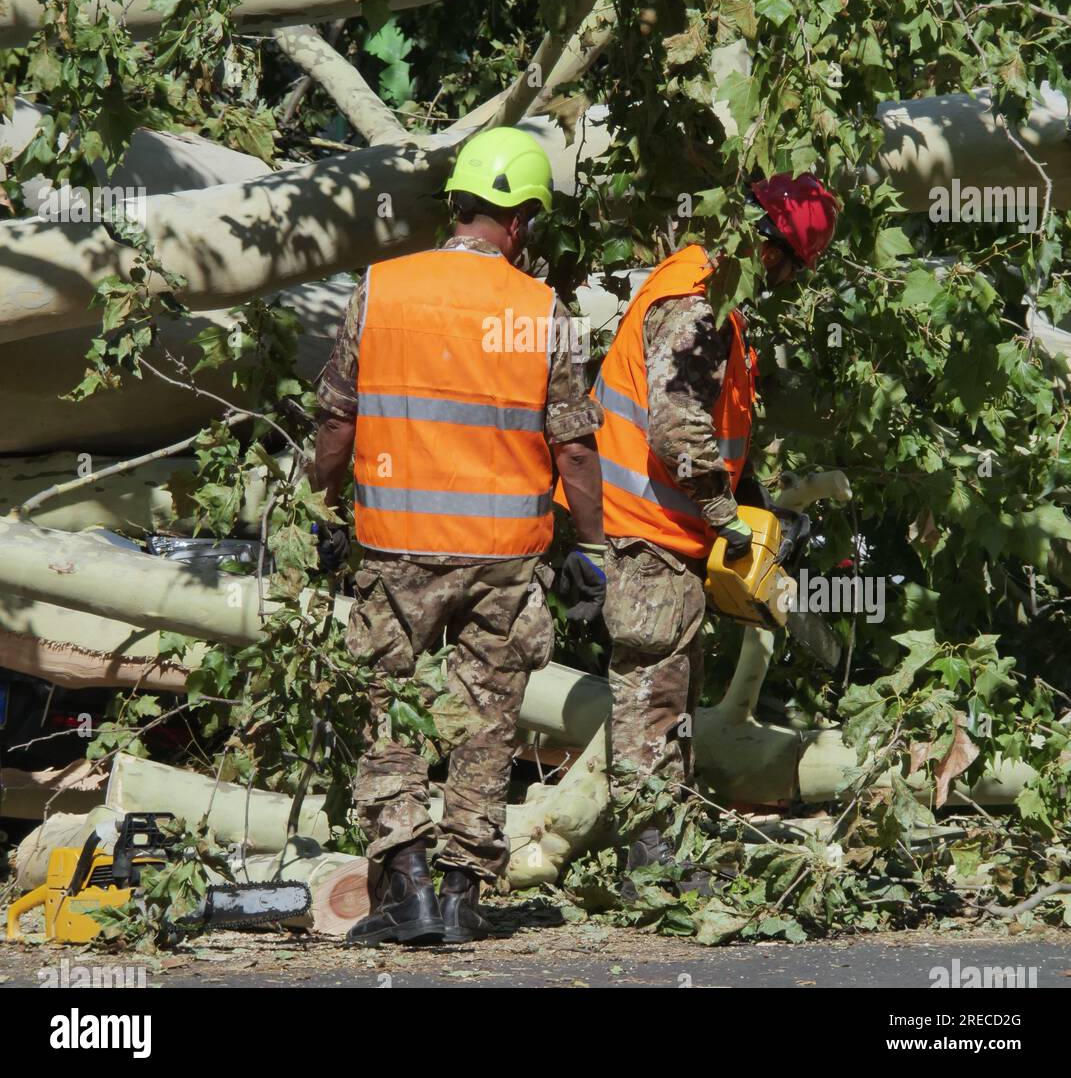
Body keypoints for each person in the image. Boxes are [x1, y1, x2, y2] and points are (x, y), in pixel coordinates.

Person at [311, 126, 604, 946]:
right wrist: (591, 545)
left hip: (396, 548)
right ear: (522, 223)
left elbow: (337, 418)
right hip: (503, 559)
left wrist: (321, 508)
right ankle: (464, 897)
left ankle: (403, 887)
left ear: (459, 207)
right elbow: (575, 447)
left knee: (389, 713)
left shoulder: (383, 286)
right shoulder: (542, 310)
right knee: (487, 724)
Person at [563, 173, 839, 888]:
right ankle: (648, 862)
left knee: (672, 695)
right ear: (767, 244)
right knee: (652, 696)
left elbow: (716, 432)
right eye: (786, 264)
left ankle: (667, 844)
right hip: (648, 529)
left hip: (666, 529)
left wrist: (757, 509)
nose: (780, 279)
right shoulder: (696, 303)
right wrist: (728, 520)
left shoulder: (702, 291)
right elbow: (678, 428)